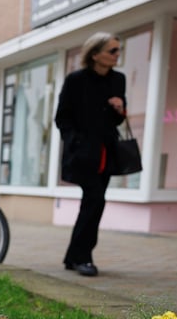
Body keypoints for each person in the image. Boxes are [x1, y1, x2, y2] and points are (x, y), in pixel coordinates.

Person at [54, 32, 126, 277]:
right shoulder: (76, 80)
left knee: (94, 202)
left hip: (106, 152)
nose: (117, 54)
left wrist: (119, 109)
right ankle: (82, 257)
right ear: (95, 54)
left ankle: (73, 256)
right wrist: (76, 142)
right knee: (95, 200)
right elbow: (62, 117)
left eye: (119, 50)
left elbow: (116, 120)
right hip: (83, 153)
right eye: (112, 50)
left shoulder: (118, 80)